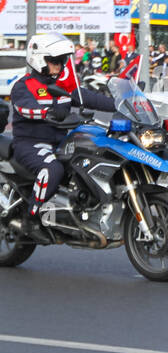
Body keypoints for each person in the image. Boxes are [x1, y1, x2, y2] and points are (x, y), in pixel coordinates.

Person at [7, 34, 117, 237]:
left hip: (60, 142)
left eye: (63, 60)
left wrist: (121, 103)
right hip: (31, 144)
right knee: (52, 169)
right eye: (54, 60)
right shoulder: (24, 85)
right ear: (39, 59)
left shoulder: (63, 87)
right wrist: (47, 111)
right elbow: (24, 108)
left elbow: (90, 98)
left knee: (90, 160)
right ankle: (31, 218)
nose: (60, 65)